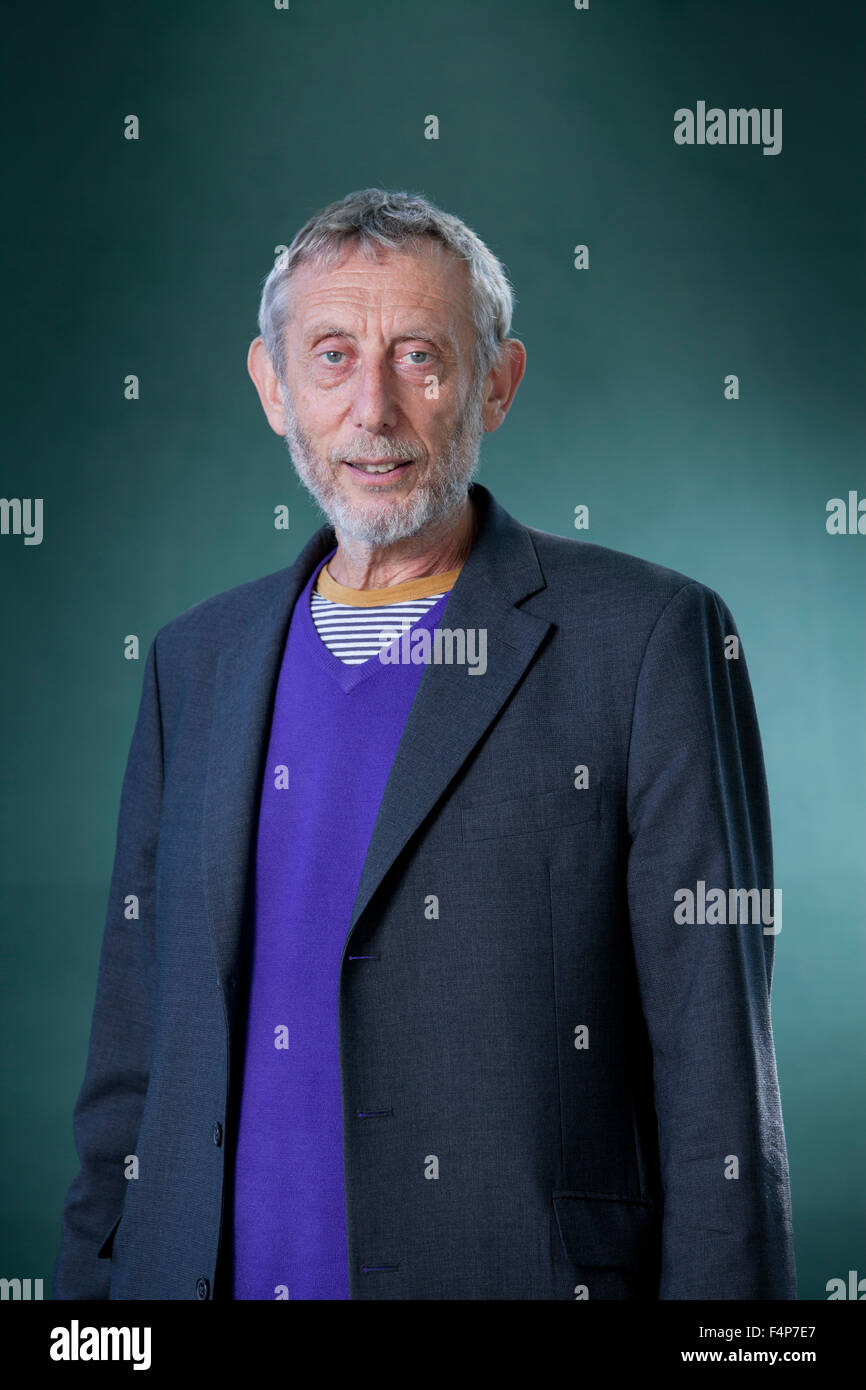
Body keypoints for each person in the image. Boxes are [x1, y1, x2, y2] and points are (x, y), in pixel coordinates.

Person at [53, 187, 796, 1300]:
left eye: (420, 358)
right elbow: (130, 1063)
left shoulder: (645, 640)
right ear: (271, 388)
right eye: (333, 356)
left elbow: (715, 1090)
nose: (373, 410)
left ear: (496, 381)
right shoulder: (191, 663)